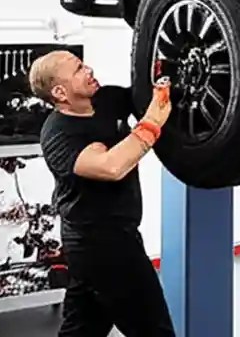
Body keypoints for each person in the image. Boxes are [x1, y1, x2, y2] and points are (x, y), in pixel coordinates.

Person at [29, 49, 176, 336]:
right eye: (79, 69)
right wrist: (151, 124)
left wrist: (168, 75)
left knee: (83, 329)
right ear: (60, 92)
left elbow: (146, 96)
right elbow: (111, 166)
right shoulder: (58, 134)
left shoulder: (107, 100)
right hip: (100, 244)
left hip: (112, 236)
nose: (89, 70)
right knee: (154, 330)